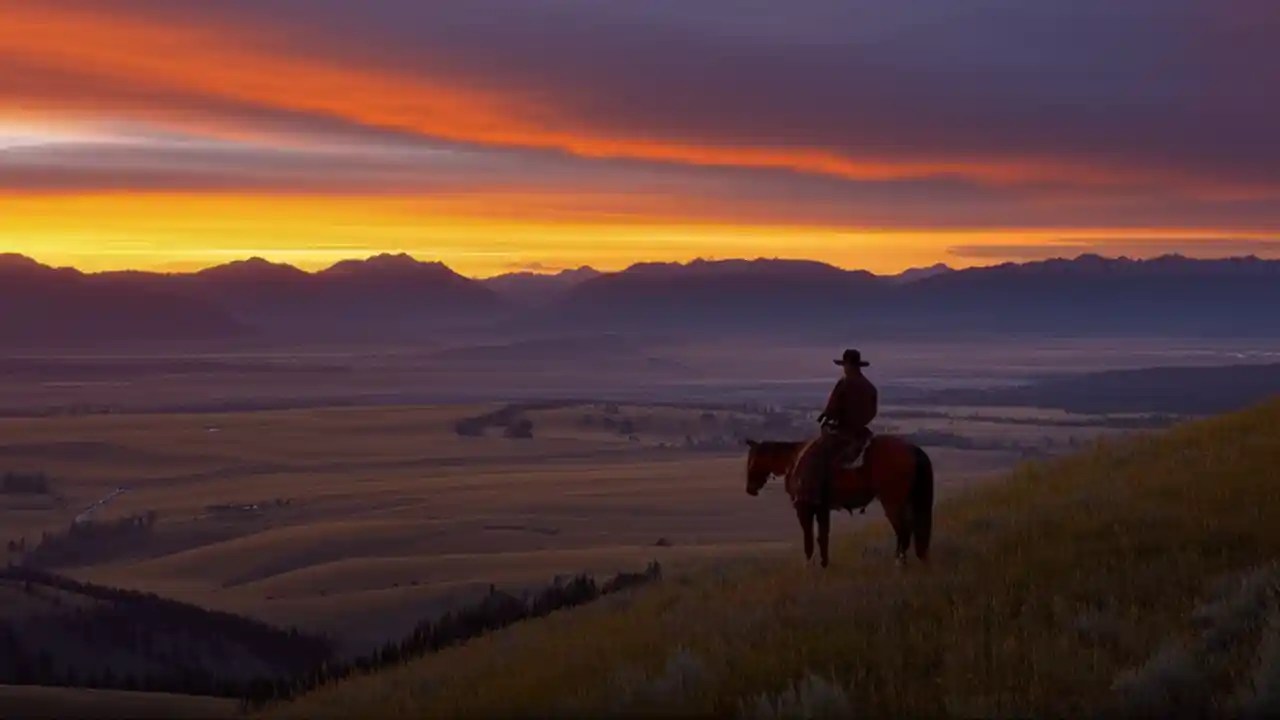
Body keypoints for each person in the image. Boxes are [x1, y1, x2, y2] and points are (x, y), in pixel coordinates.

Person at [809, 348, 878, 503]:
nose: (844, 369)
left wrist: (827, 417)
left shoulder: (844, 383)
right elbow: (873, 411)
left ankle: (820, 492)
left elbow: (832, 408)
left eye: (845, 366)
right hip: (861, 430)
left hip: (845, 430)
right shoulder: (870, 387)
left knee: (819, 455)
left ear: (848, 366)